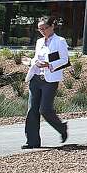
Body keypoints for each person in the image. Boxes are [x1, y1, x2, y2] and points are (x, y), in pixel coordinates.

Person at [22, 16, 70, 149]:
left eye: (45, 28)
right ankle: (32, 141)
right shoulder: (39, 42)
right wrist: (30, 62)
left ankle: (61, 128)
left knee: (45, 109)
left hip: (50, 80)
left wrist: (49, 65)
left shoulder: (60, 41)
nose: (42, 31)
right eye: (40, 29)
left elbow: (65, 60)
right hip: (35, 78)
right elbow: (37, 59)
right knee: (32, 110)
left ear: (52, 26)